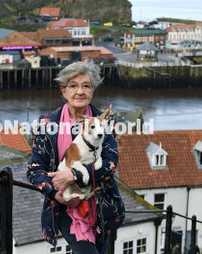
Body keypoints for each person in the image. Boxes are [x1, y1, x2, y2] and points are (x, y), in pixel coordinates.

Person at [27, 61, 125, 254]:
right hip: (66, 207)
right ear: (63, 91)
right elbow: (34, 170)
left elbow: (110, 163)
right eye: (73, 85)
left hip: (102, 208)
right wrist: (57, 196)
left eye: (86, 86)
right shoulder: (47, 125)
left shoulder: (104, 122)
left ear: (92, 91)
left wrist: (74, 176)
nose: (80, 91)